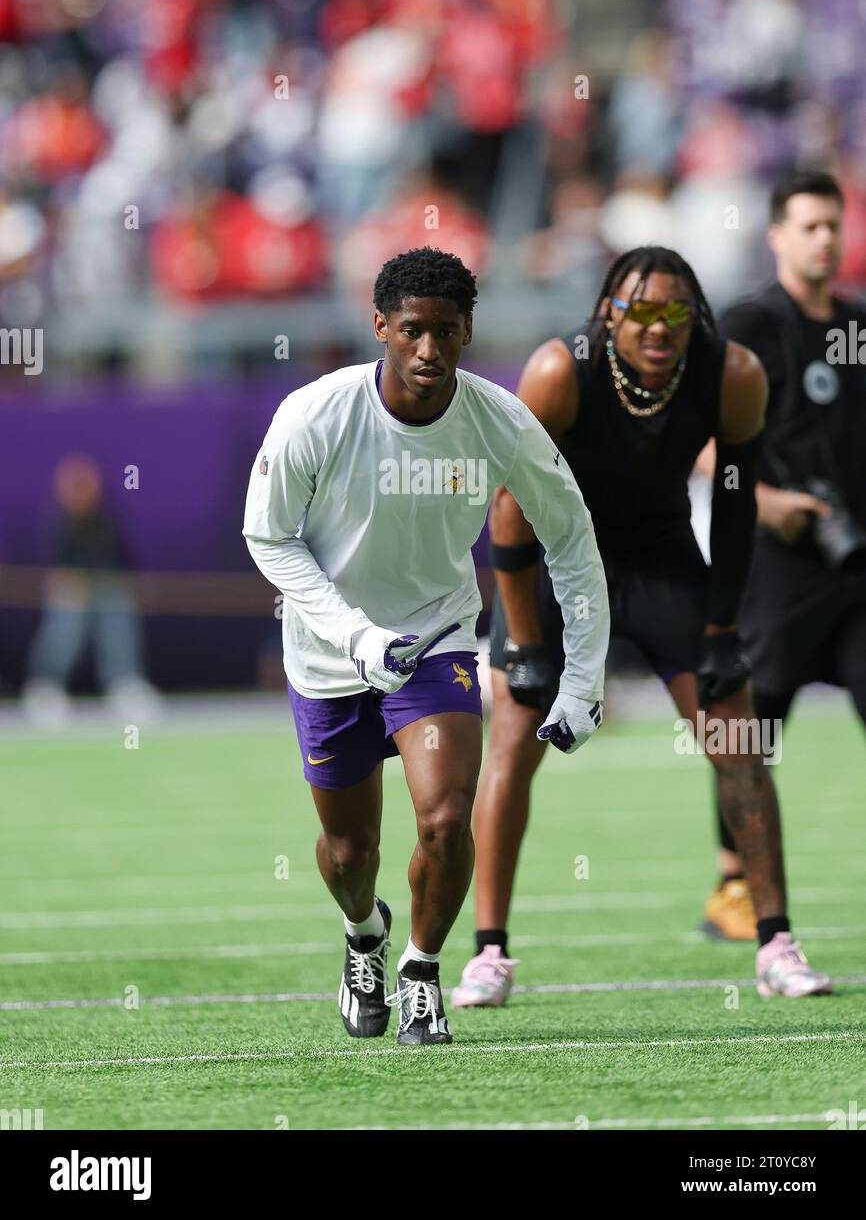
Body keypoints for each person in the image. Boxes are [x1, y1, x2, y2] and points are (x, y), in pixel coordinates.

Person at [242, 246, 609, 1046]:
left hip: (439, 642)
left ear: (469, 330)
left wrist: (583, 679)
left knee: (445, 820)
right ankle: (364, 935)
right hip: (329, 654)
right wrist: (355, 633)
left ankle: (418, 969)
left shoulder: (500, 419)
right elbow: (267, 535)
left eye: (446, 331)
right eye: (412, 330)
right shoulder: (314, 415)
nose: (429, 350)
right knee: (350, 851)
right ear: (380, 326)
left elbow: (572, 538)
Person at [453, 245, 832, 1009]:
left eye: (677, 314)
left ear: (697, 318)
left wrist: (724, 625)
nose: (659, 331)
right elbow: (510, 506)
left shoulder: (732, 373)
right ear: (609, 315)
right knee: (512, 748)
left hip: (662, 561)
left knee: (738, 741)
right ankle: (488, 954)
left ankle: (776, 943)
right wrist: (523, 640)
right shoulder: (563, 370)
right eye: (642, 313)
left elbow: (733, 504)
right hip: (561, 564)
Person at [701, 171, 866, 938]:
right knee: (754, 715)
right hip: (775, 557)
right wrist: (764, 502)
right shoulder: (747, 322)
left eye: (832, 224)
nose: (824, 239)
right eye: (809, 226)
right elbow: (698, 436)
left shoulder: (856, 322)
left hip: (854, 558)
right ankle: (734, 880)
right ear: (777, 236)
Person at [22, 453, 159, 727]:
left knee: (117, 617)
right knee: (65, 626)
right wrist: (71, 584)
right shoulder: (57, 521)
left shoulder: (105, 520)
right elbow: (54, 568)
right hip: (71, 594)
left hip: (106, 591)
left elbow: (120, 560)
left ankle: (124, 685)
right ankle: (45, 690)